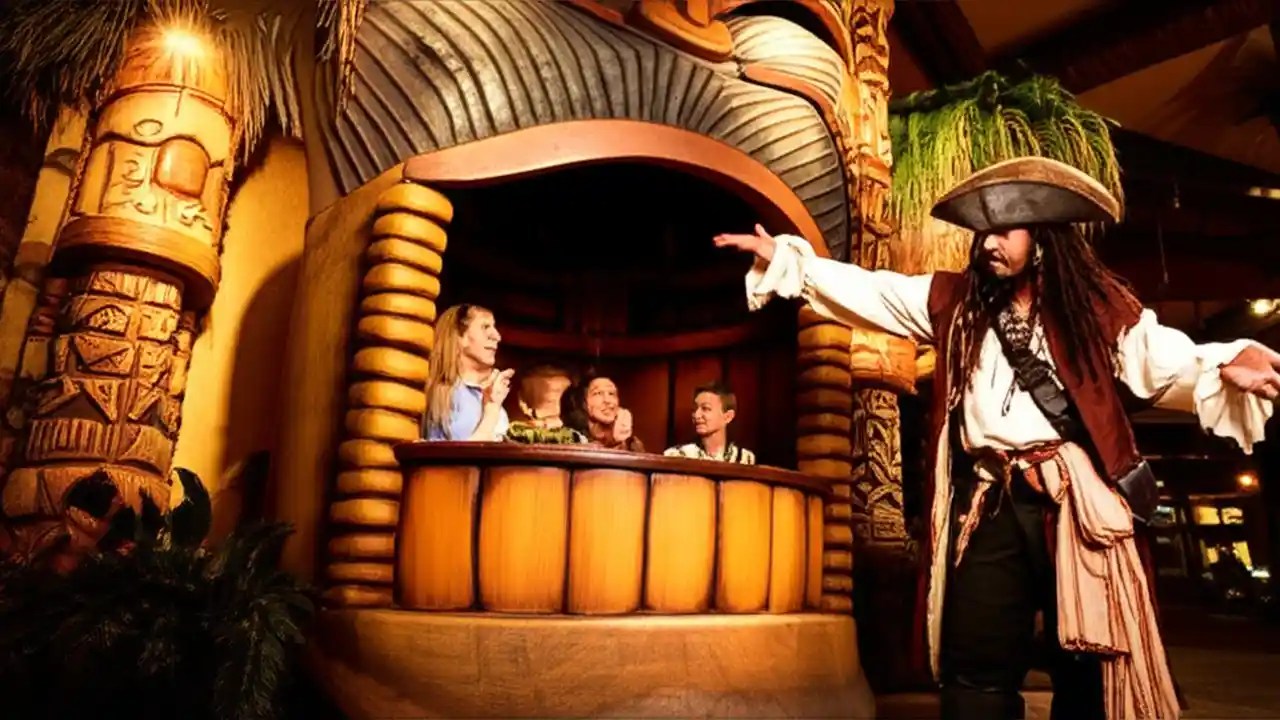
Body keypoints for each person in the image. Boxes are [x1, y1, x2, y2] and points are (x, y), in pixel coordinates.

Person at [715, 156, 1280, 720]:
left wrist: (1222, 360)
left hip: (1073, 505)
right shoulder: (953, 302)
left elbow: (1155, 356)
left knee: (1087, 666)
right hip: (989, 503)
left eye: (1005, 230)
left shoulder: (1092, 305)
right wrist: (792, 262)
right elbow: (874, 291)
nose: (989, 243)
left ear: (1042, 237)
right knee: (975, 668)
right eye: (983, 231)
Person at [421, 303, 514, 442]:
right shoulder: (448, 396)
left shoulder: (489, 395)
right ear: (459, 336)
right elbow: (465, 456)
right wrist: (492, 409)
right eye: (485, 327)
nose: (497, 336)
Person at [663, 381, 756, 464]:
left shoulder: (744, 459)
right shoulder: (677, 456)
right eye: (695, 409)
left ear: (728, 417)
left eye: (706, 408)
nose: (696, 415)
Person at [561, 372, 644, 452]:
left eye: (611, 394)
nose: (607, 400)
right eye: (598, 393)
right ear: (584, 403)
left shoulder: (631, 444)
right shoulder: (569, 437)